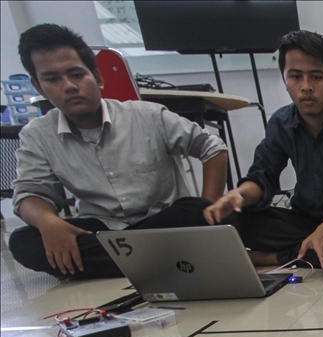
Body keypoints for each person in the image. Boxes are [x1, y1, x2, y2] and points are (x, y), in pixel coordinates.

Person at [9, 24, 228, 281]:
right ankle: (163, 259)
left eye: (76, 74)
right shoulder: (37, 135)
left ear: (97, 78)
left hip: (163, 223)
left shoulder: (147, 116)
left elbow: (213, 148)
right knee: (23, 241)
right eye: (52, 79)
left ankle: (110, 264)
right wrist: (48, 222)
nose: (68, 86)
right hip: (101, 229)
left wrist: (209, 216)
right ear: (38, 86)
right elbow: (29, 193)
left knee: (196, 209)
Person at [204, 30, 323, 272]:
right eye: (296, 76)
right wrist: (238, 195)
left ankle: (273, 257)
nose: (306, 87)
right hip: (302, 220)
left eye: (317, 77)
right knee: (229, 218)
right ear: (285, 80)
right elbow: (263, 176)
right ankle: (311, 250)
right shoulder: (281, 122)